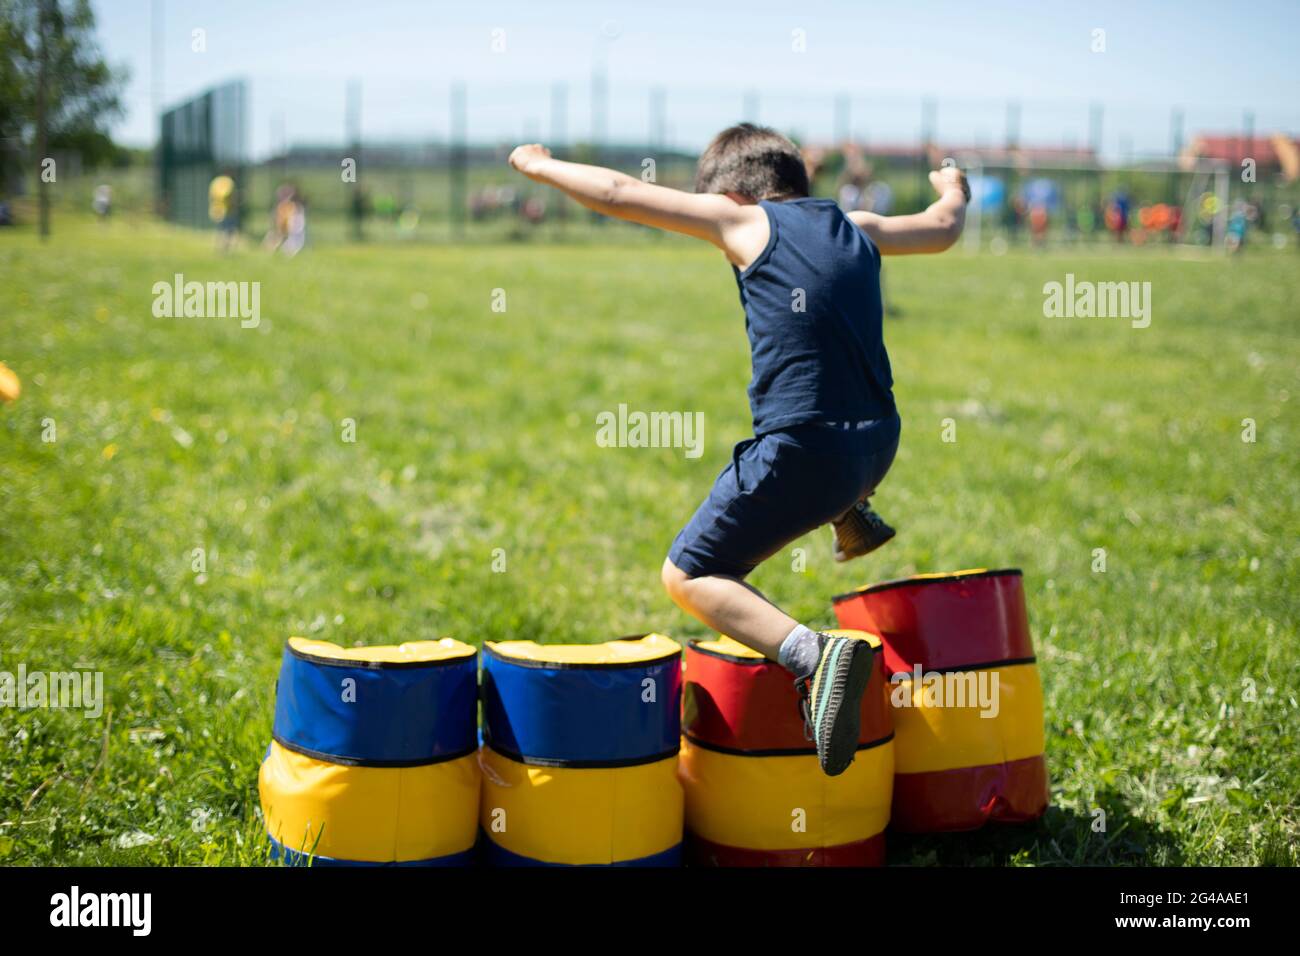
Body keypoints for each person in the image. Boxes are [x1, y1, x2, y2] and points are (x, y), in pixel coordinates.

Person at [508, 124, 968, 776]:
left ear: (731, 193)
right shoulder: (854, 223)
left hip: (805, 451)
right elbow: (943, 226)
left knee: (689, 574)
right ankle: (851, 512)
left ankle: (813, 655)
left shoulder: (741, 220)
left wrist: (540, 165)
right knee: (832, 435)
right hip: (878, 442)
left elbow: (617, 190)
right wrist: (952, 185)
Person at [208, 171, 239, 253]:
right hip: (228, 210)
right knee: (229, 231)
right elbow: (231, 196)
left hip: (216, 210)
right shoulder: (229, 182)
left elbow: (211, 196)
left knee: (219, 230)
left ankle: (218, 248)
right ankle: (225, 249)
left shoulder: (215, 182)